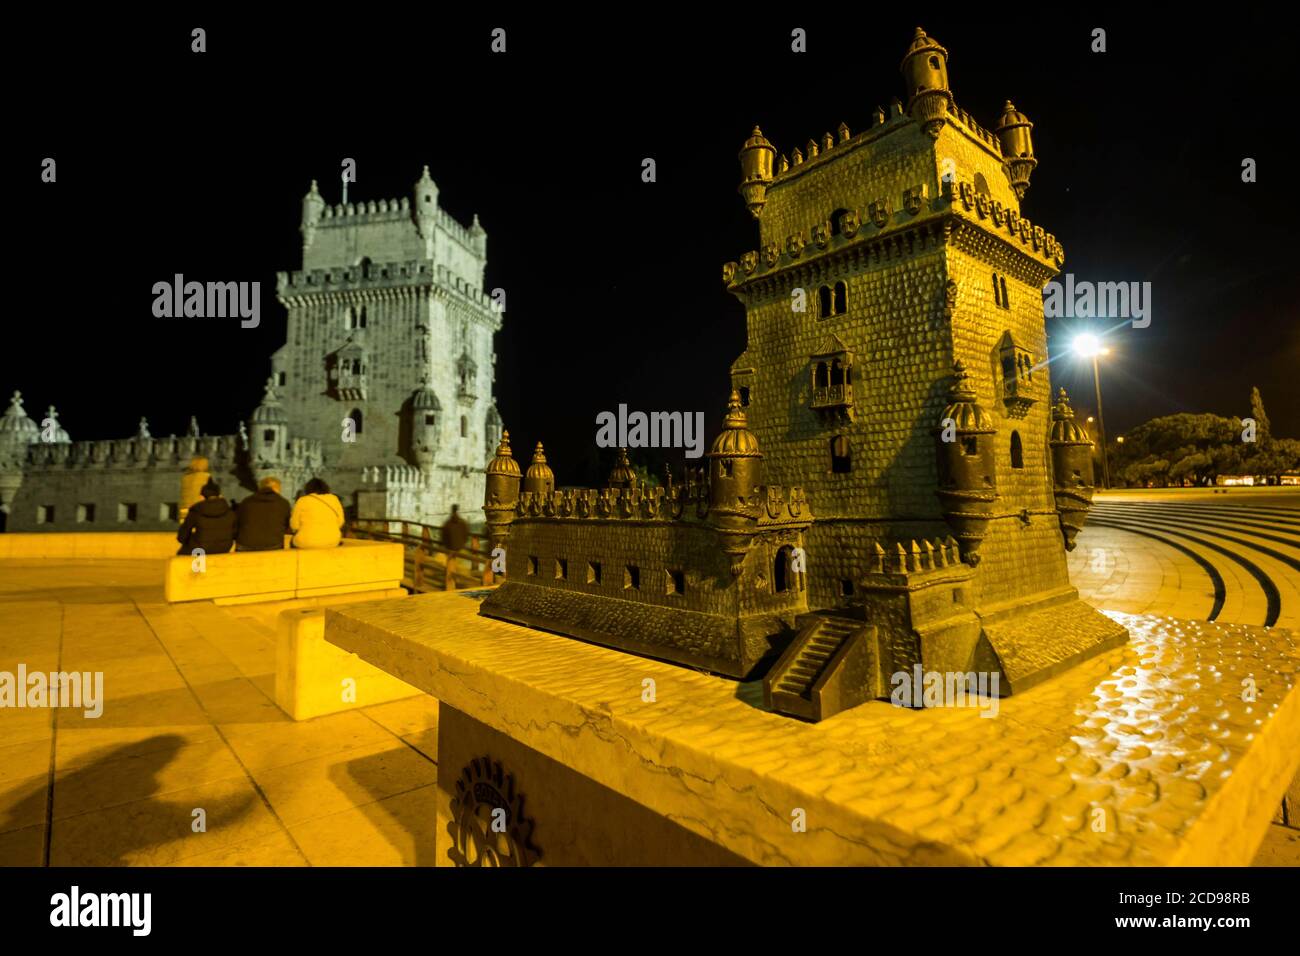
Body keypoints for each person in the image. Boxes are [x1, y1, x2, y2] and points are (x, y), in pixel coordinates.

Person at [177, 480, 236, 556]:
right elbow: (234, 532)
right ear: (219, 495)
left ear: (202, 496)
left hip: (200, 548)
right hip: (224, 547)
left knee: (182, 554)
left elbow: (182, 536)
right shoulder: (229, 511)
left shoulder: (196, 510)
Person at [234, 477, 291, 551]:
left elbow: (237, 522)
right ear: (276, 488)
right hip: (273, 545)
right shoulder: (283, 503)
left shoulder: (247, 501)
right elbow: (287, 525)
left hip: (245, 545)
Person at [289, 477, 345, 549]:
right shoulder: (334, 499)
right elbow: (341, 521)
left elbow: (294, 525)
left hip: (306, 541)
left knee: (292, 542)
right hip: (332, 540)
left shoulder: (302, 500)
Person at [440, 503, 470, 590]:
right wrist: (462, 543)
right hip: (460, 548)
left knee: (450, 567)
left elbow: (443, 537)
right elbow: (466, 535)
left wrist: (446, 546)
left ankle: (451, 583)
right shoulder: (462, 523)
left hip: (450, 549)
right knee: (459, 568)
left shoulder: (447, 524)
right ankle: (459, 584)